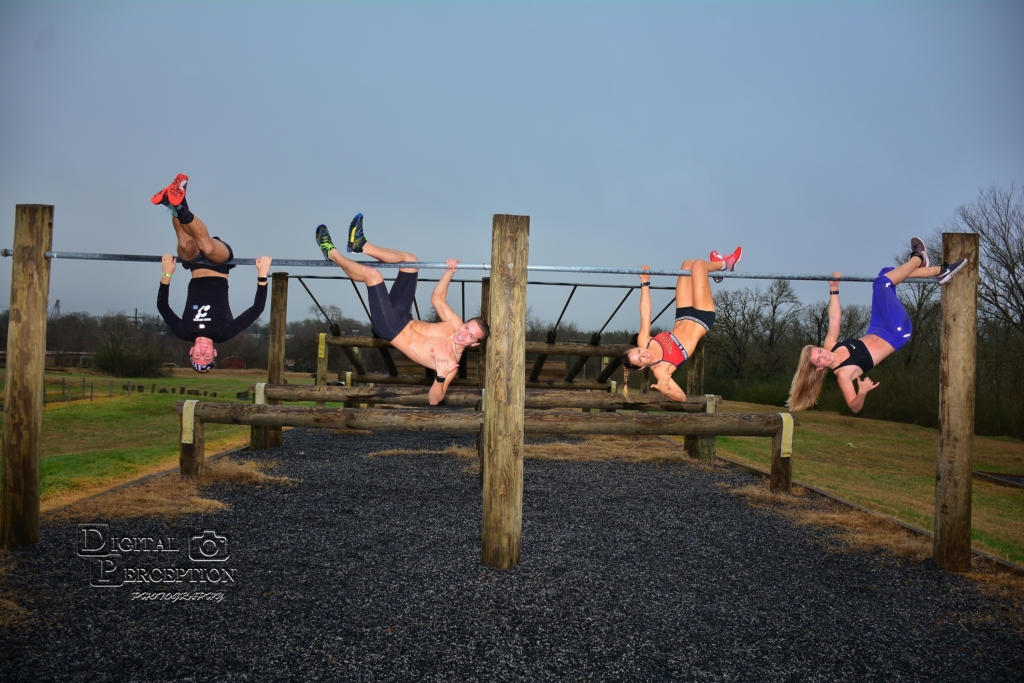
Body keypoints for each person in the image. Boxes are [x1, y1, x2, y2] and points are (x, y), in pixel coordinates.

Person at [314, 214, 489, 404]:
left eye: (471, 336)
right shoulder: (456, 324)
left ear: (475, 344)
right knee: (410, 261)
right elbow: (437, 299)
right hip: (405, 316)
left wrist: (439, 377)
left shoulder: (450, 364)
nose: (464, 334)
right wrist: (449, 272)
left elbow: (434, 400)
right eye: (467, 328)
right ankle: (362, 246)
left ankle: (331, 252)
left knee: (372, 275)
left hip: (391, 328)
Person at [787, 237, 968, 413]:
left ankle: (938, 272)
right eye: (819, 359)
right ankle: (919, 259)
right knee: (882, 284)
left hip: (878, 325)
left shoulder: (830, 346)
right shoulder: (843, 375)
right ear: (819, 368)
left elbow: (835, 318)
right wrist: (862, 392)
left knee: (886, 272)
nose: (824, 355)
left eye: (819, 351)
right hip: (895, 333)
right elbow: (854, 406)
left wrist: (833, 289)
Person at [151, 174, 273, 372]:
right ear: (215, 353)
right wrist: (262, 275)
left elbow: (162, 306)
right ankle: (178, 205)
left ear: (191, 351)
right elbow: (256, 309)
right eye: (207, 356)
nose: (204, 351)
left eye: (198, 355)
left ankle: (175, 199)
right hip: (220, 265)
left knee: (184, 242)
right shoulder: (224, 333)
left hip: (195, 267)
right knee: (206, 247)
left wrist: (166, 275)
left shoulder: (183, 332)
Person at [620, 247, 743, 401]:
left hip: (682, 315)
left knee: (687, 265)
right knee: (699, 265)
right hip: (701, 318)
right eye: (640, 359)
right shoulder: (660, 370)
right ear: (643, 366)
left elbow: (645, 313)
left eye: (638, 351)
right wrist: (666, 392)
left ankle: (717, 269)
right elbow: (682, 397)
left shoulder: (645, 342)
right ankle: (724, 265)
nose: (643, 354)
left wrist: (645, 282)